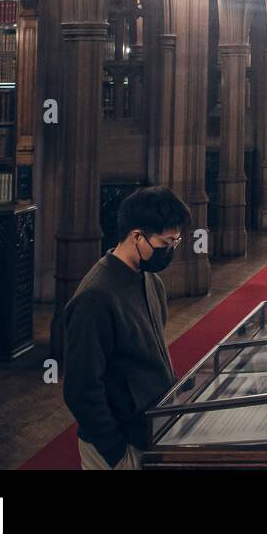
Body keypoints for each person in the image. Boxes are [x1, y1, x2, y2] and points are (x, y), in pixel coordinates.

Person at [63, 185, 191, 469]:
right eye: (166, 243)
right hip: (117, 445)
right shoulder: (95, 298)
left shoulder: (150, 280)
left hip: (148, 431)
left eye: (176, 242)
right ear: (137, 237)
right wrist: (117, 452)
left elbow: (152, 352)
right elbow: (80, 388)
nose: (170, 251)